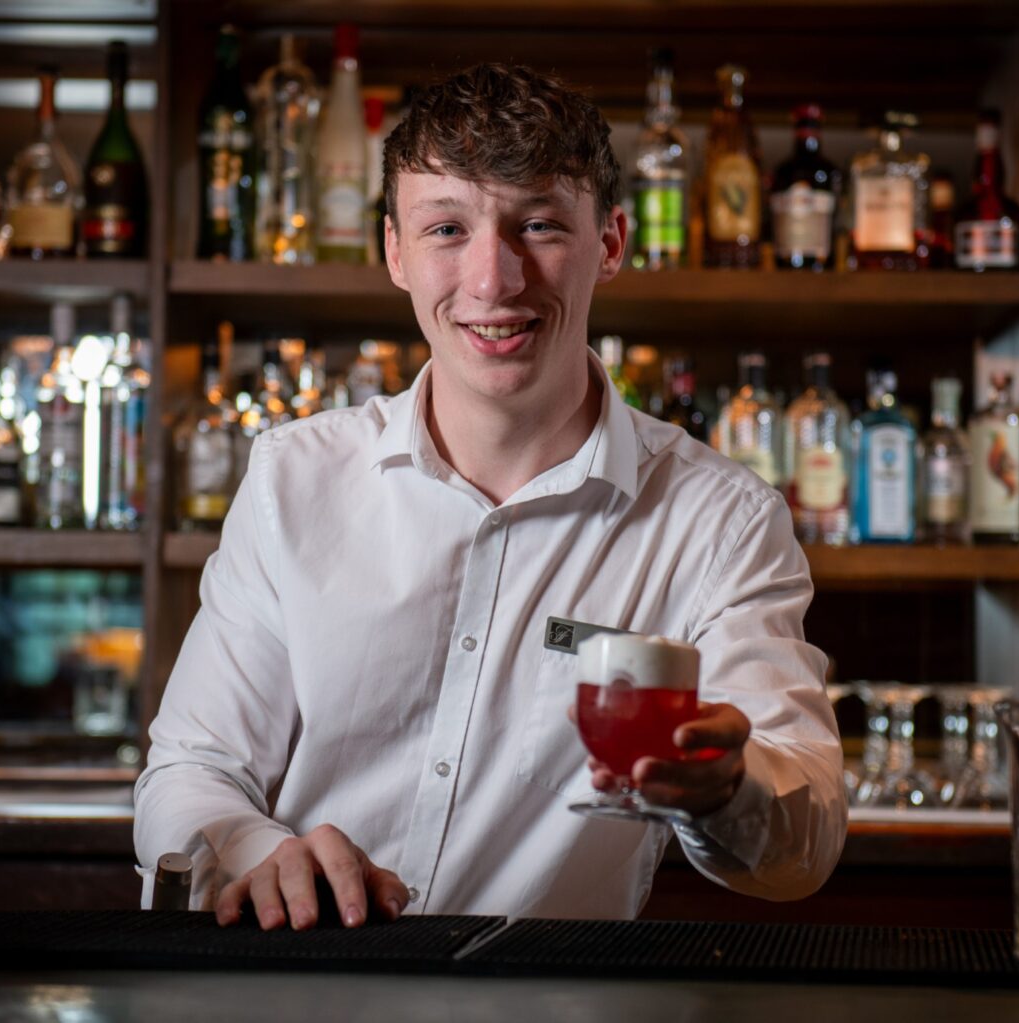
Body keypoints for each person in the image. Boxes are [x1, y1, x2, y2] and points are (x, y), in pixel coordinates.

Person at [134, 63, 845, 928]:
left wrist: (729, 785)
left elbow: (804, 843)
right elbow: (191, 772)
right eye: (446, 228)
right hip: (304, 990)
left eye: (538, 224)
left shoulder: (720, 520)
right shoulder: (294, 477)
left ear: (612, 243)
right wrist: (256, 851)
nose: (492, 280)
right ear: (394, 251)